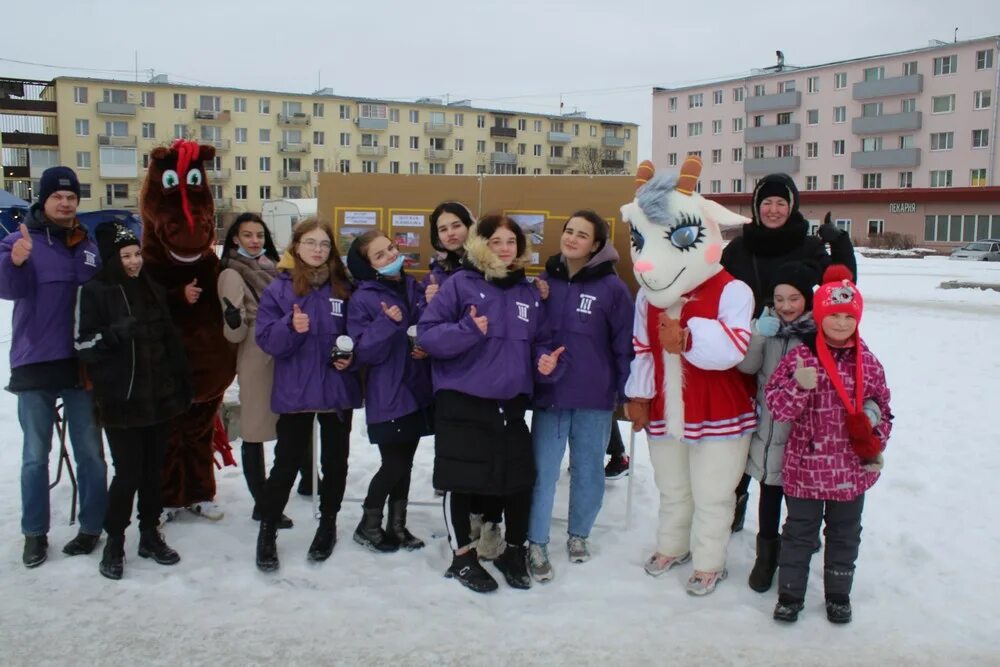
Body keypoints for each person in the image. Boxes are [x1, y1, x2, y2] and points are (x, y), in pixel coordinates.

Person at [418, 214, 562, 593]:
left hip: (510, 403)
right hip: (462, 401)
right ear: (481, 244)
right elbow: (427, 336)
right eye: (495, 241)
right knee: (459, 482)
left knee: (517, 481)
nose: (504, 248)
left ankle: (512, 551)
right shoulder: (459, 285)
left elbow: (540, 341)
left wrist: (543, 362)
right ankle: (462, 557)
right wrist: (467, 330)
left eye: (511, 242)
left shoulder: (528, 292)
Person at [722, 173, 857, 533]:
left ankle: (794, 525)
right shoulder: (739, 247)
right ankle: (734, 499)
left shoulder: (809, 245)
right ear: (755, 206)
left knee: (786, 437)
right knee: (744, 431)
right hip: (748, 348)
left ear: (792, 206)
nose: (774, 209)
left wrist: (840, 242)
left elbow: (843, 285)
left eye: (782, 202)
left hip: (798, 353)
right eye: (767, 202)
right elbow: (715, 285)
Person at [765, 265, 892, 624]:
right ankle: (790, 594)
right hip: (806, 467)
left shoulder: (867, 361)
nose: (840, 323)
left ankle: (838, 594)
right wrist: (797, 386)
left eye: (846, 316)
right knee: (799, 533)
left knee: (845, 534)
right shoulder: (801, 357)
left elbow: (884, 407)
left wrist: (874, 433)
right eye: (832, 315)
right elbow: (777, 407)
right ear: (819, 316)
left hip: (851, 469)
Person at [0, 166, 108, 568]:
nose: (65, 203)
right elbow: (8, 289)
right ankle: (34, 533)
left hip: (81, 366)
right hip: (35, 364)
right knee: (33, 455)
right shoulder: (19, 239)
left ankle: (92, 526)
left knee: (91, 454)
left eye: (71, 197)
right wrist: (14, 261)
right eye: (57, 197)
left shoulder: (89, 245)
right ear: (43, 200)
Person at [75, 223, 192, 579]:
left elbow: (169, 340)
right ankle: (114, 541)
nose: (134, 261)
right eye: (126, 256)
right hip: (121, 403)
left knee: (154, 473)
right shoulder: (93, 291)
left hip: (158, 398)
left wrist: (181, 384)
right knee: (128, 474)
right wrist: (111, 335)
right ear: (112, 258)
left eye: (137, 253)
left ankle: (149, 535)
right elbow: (82, 345)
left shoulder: (151, 287)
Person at [526, 211, 633, 583]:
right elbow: (534, 333)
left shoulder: (613, 290)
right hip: (551, 394)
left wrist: (624, 390)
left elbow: (624, 345)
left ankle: (578, 535)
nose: (571, 238)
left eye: (582, 234)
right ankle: (536, 541)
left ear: (597, 245)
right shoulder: (543, 283)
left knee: (588, 471)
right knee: (543, 472)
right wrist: (540, 360)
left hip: (594, 395)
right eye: (568, 231)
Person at [253, 219, 361, 572]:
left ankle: (327, 524)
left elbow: (357, 333)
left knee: (335, 462)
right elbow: (266, 340)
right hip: (296, 390)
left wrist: (351, 356)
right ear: (295, 246)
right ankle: (267, 530)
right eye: (311, 243)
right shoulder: (279, 289)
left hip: (336, 389)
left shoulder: (343, 287)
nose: (318, 250)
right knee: (286, 464)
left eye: (324, 244)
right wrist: (290, 326)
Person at [425, 201, 505, 560]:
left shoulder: (492, 263)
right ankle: (468, 523)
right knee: (462, 458)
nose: (451, 233)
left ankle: (489, 521)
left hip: (494, 377)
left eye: (456, 224)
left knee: (490, 455)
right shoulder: (436, 274)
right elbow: (429, 330)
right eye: (443, 229)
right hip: (456, 377)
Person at [346, 231, 433, 553]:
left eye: (391, 248)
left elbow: (425, 327)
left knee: (405, 463)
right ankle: (368, 524)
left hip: (415, 389)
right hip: (389, 392)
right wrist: (385, 322)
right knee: (393, 465)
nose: (391, 255)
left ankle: (397, 525)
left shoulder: (413, 286)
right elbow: (362, 352)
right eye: (380, 255)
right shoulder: (363, 297)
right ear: (369, 266)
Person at [217, 213, 305, 529]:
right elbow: (235, 333)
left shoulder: (272, 266)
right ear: (235, 239)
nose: (254, 240)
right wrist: (232, 320)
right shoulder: (231, 272)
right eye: (247, 235)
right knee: (254, 430)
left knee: (291, 421)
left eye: (258, 234)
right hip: (257, 351)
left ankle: (302, 480)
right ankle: (262, 501)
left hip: (283, 346)